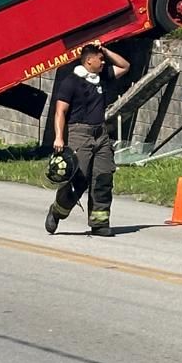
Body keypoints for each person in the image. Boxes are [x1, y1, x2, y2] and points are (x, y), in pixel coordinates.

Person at [45, 42, 130, 237]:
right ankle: (57, 211)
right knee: (79, 180)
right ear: (88, 60)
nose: (102, 62)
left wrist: (106, 50)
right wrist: (59, 137)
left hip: (101, 134)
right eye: (99, 59)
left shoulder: (102, 77)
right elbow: (60, 111)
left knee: (103, 177)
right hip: (79, 133)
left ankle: (99, 223)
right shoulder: (71, 82)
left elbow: (125, 66)